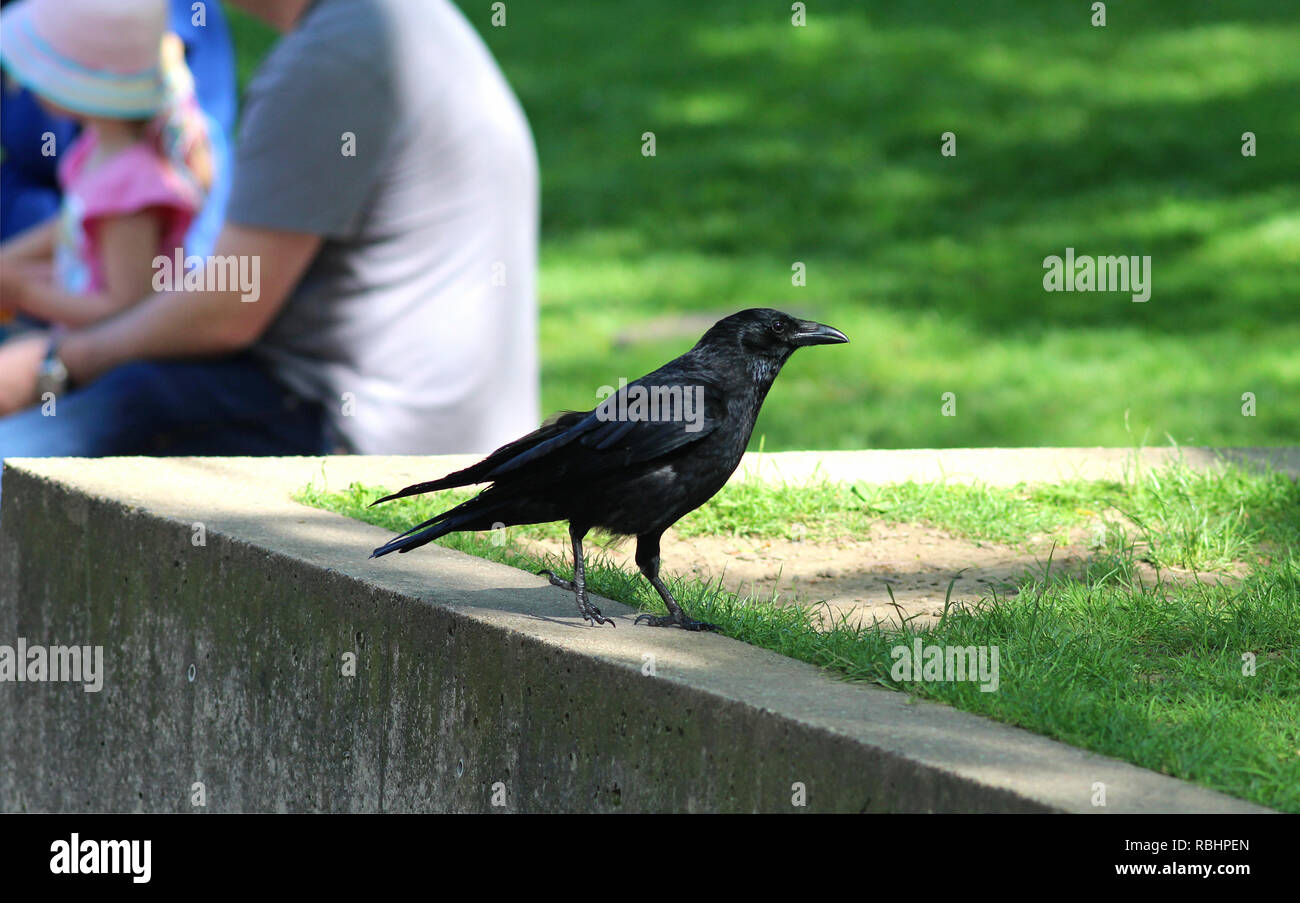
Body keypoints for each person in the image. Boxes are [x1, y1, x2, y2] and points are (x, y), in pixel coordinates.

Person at [0, 0, 539, 477]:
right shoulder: (380, 22)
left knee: (87, 423)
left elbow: (229, 312)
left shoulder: (332, 59)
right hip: (431, 422)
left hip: (369, 434)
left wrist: (55, 366)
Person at [0, 0, 214, 331]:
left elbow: (130, 311)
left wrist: (26, 292)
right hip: (78, 334)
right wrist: (10, 264)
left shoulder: (129, 191)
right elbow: (74, 231)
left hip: (106, 362)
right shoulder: (95, 149)